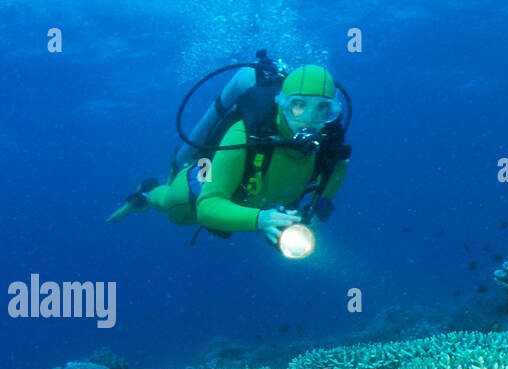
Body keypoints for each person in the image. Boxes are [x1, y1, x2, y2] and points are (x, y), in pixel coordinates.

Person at [107, 63, 349, 248]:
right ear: (282, 104)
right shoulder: (245, 135)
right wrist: (261, 220)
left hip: (257, 202)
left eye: (322, 108)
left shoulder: (329, 141)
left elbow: (339, 167)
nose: (309, 119)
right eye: (298, 105)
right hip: (203, 181)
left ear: (332, 112)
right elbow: (207, 207)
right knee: (175, 203)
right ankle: (146, 193)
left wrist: (318, 207)